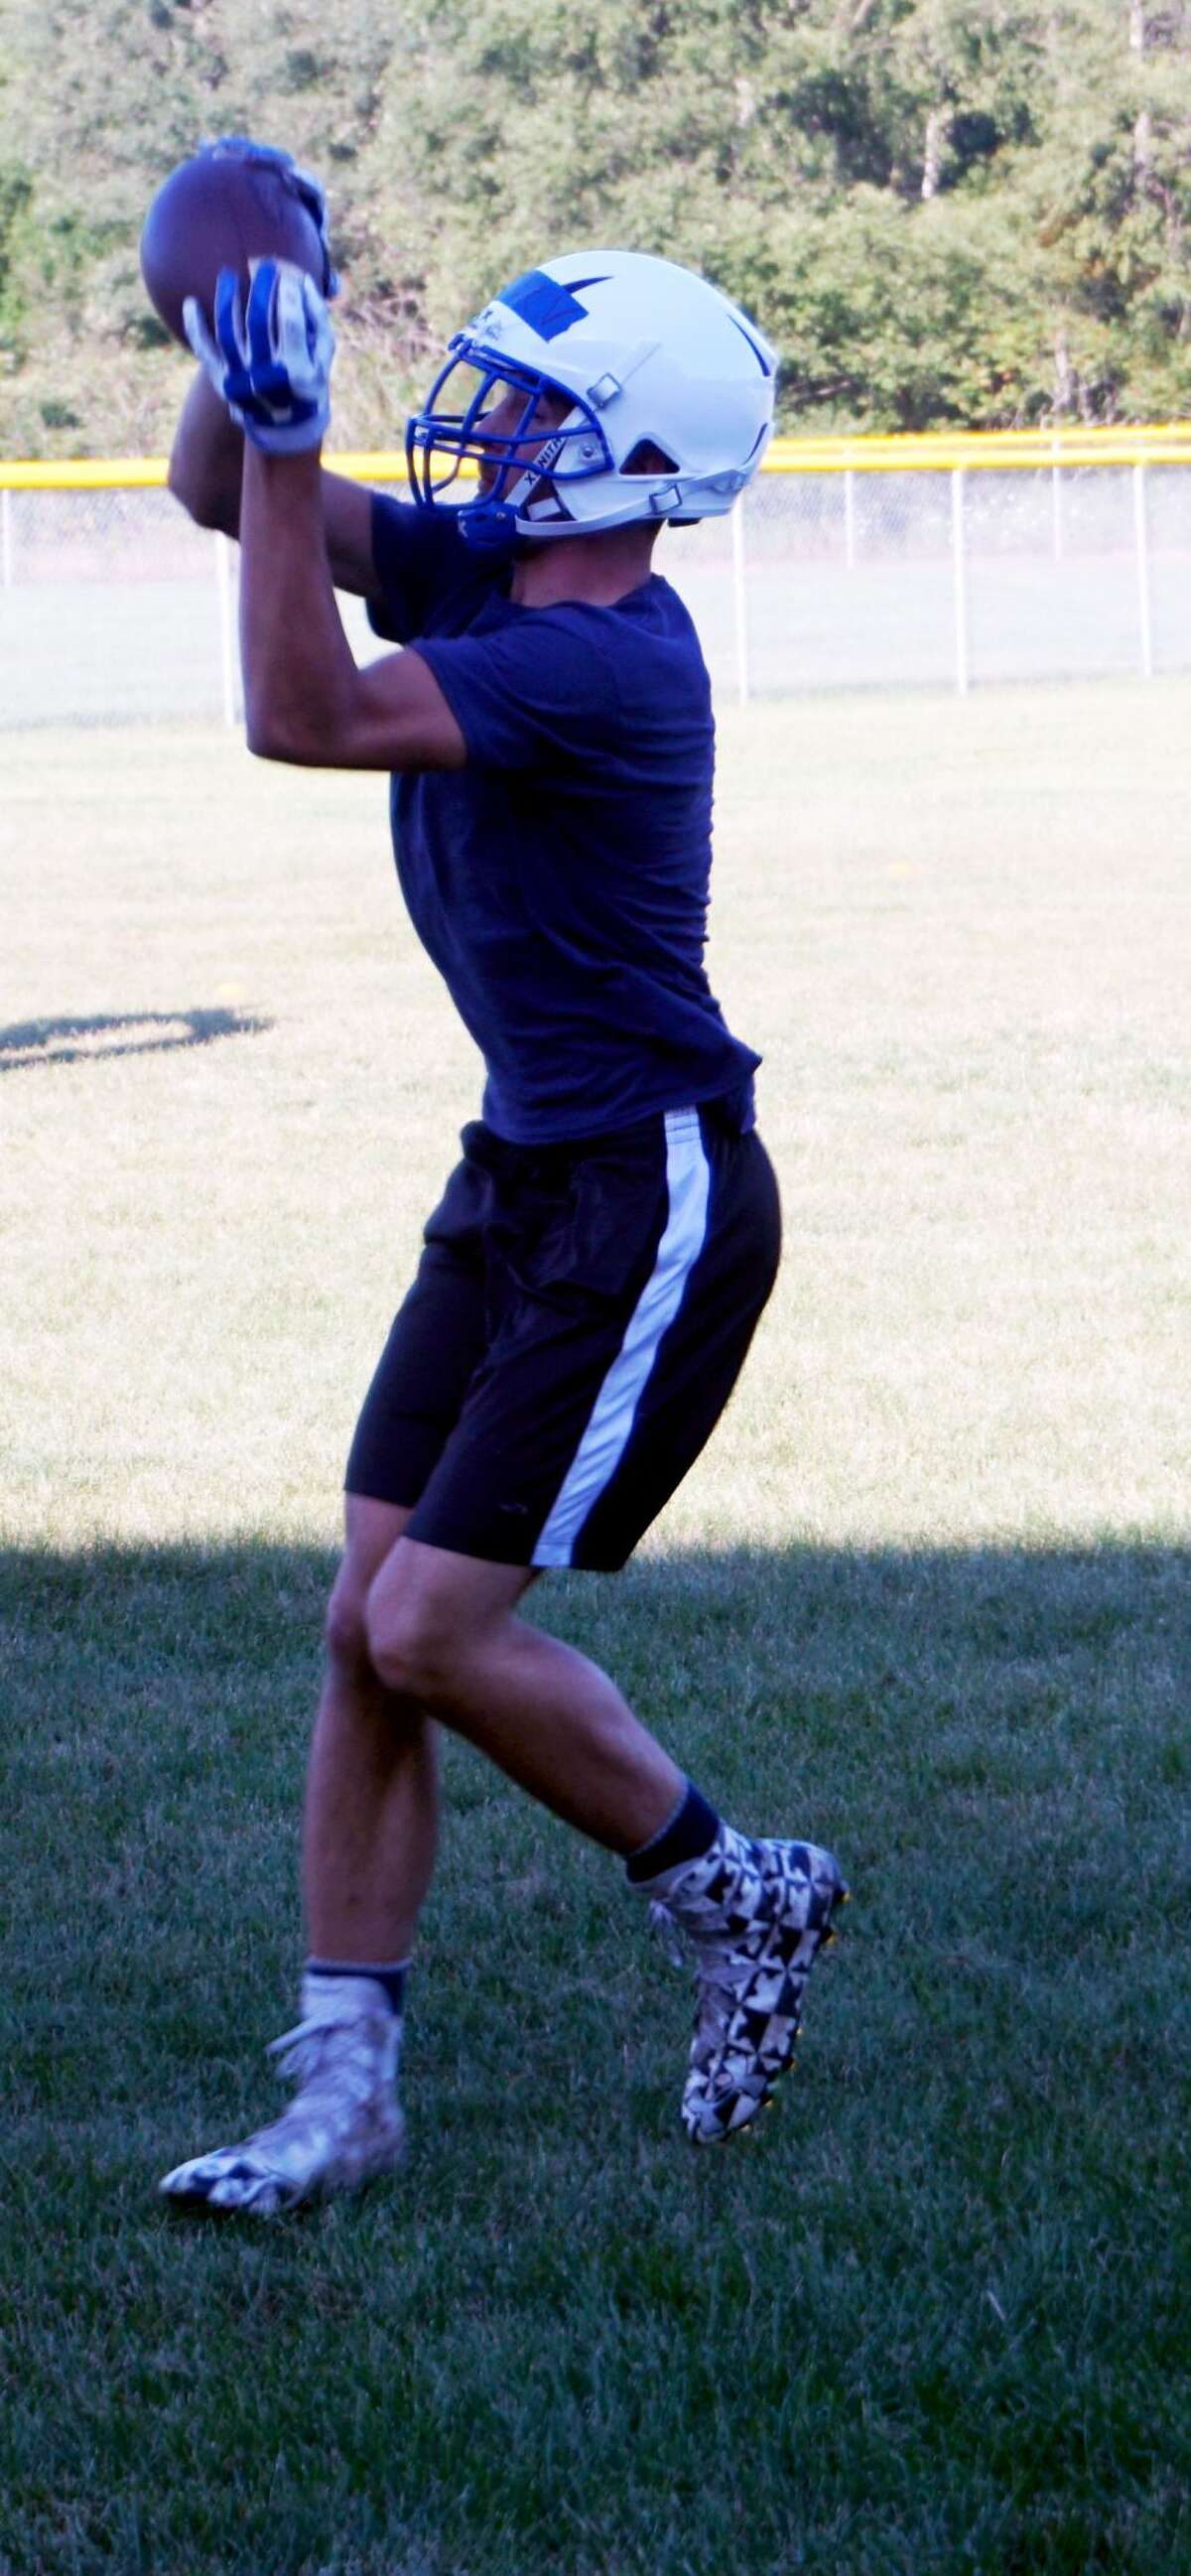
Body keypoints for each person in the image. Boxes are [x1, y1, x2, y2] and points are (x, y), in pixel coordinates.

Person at [158, 139, 848, 2217]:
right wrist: (240, 347)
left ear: (633, 458)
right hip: (525, 1165)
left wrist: (294, 425)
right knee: (358, 1628)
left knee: (431, 1627)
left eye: (539, 411)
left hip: (651, 1191)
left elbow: (297, 710)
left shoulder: (603, 658)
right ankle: (344, 2091)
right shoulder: (493, 572)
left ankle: (739, 1886)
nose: (494, 431)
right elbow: (223, 496)